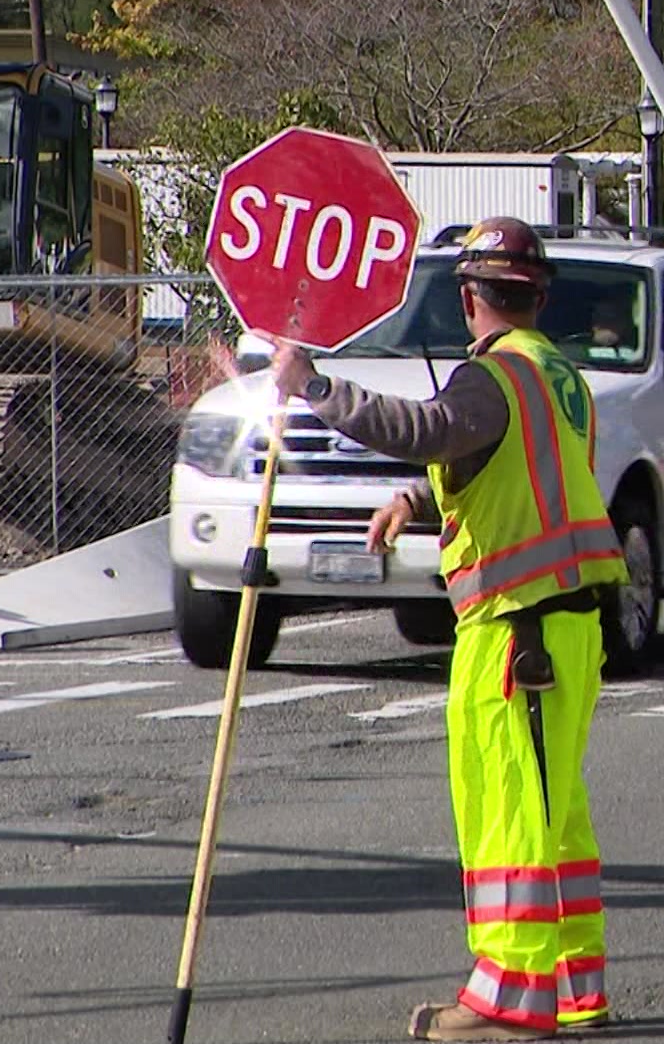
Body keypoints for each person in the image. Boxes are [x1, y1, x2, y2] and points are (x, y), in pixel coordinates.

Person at [269, 217, 629, 1041]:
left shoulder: (490, 378)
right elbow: (510, 467)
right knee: (553, 813)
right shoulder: (556, 375)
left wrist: (318, 389)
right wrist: (420, 501)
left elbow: (427, 430)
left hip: (516, 628)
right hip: (564, 622)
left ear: (470, 298)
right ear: (537, 295)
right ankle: (574, 986)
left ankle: (508, 998)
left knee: (507, 813)